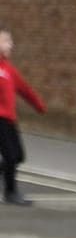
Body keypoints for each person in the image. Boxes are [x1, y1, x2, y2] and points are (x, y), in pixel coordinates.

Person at [0, 28, 46, 207]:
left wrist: (39, 105)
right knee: (10, 156)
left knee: (18, 156)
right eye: (5, 41)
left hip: (10, 120)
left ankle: (8, 180)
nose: (10, 44)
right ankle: (10, 193)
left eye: (10, 41)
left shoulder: (9, 70)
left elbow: (25, 89)